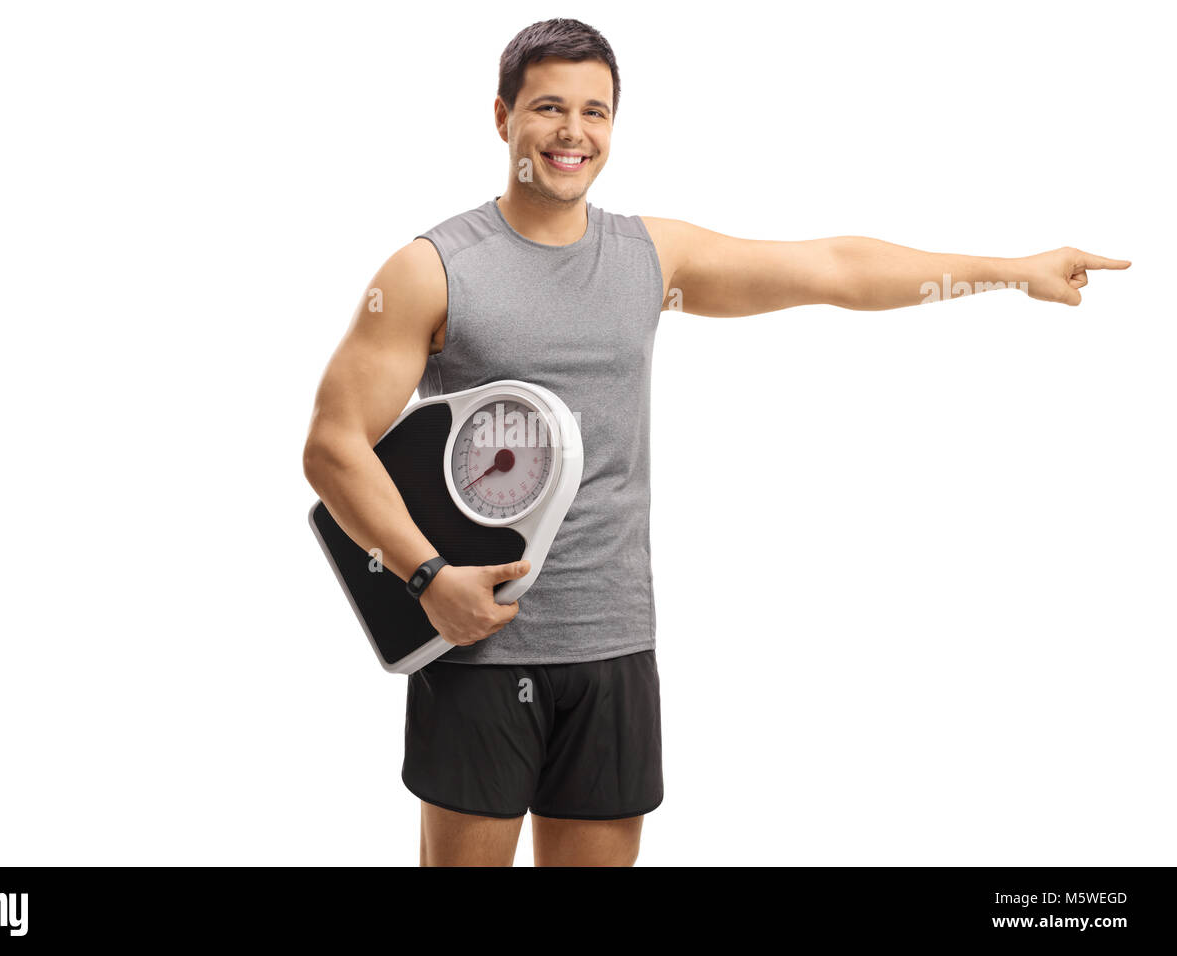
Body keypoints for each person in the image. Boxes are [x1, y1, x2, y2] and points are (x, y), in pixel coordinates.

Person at [301, 17, 1130, 867]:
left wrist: (1013, 270)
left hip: (616, 646)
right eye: (549, 107)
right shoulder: (432, 268)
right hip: (477, 645)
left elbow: (836, 269)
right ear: (503, 117)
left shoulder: (648, 259)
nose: (573, 132)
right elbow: (333, 448)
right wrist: (429, 579)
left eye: (596, 111)